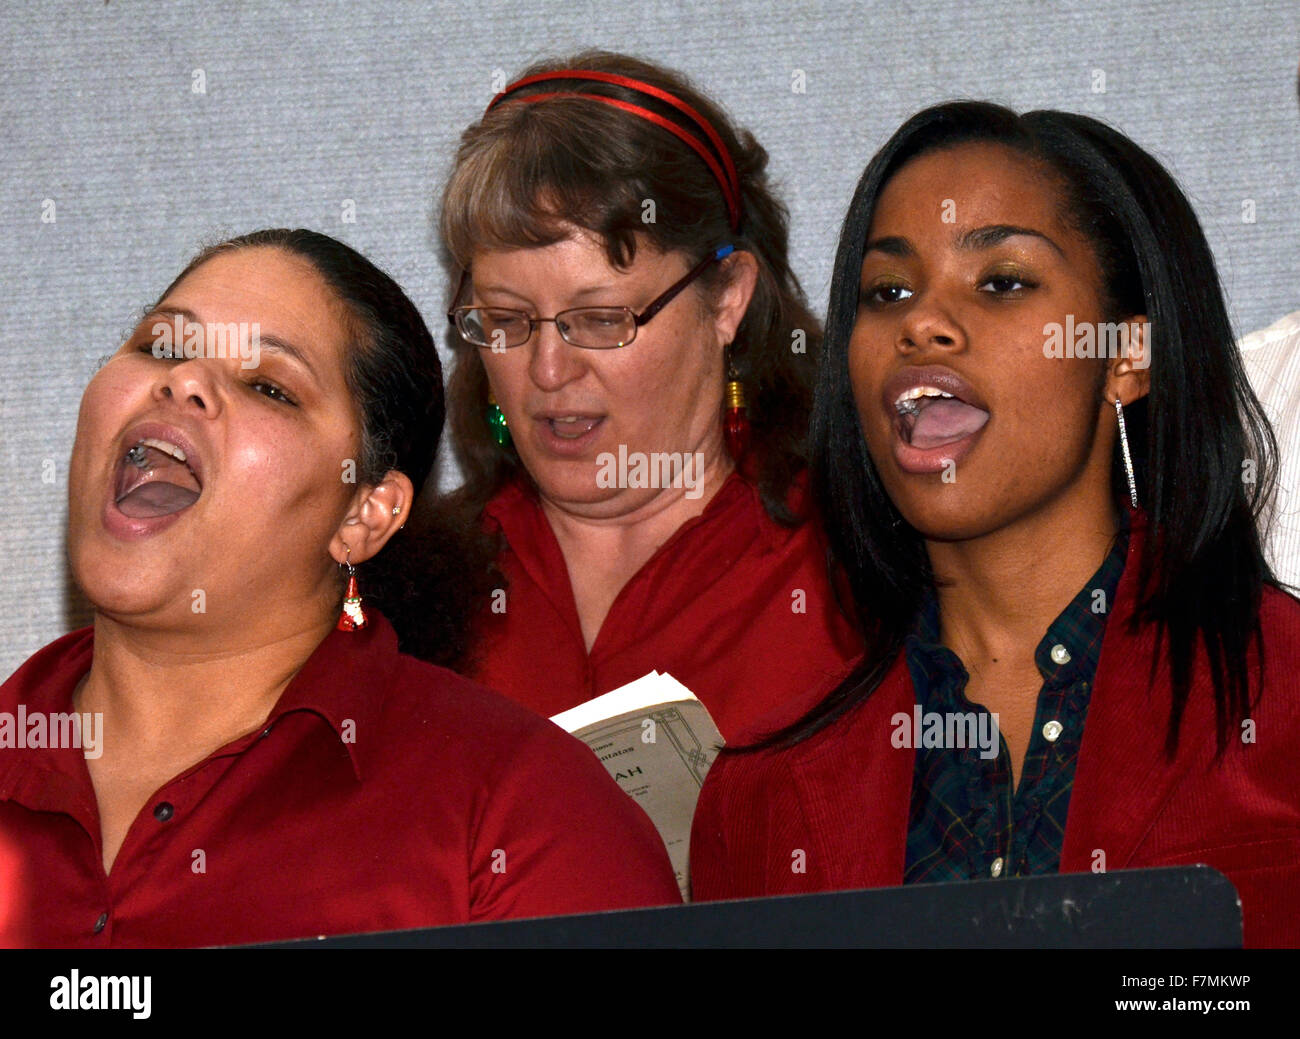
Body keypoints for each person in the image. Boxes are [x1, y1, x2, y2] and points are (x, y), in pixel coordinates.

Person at [690, 102, 1300, 949]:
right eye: (887, 291)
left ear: (1126, 354)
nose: (922, 324)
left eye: (1002, 282)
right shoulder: (758, 795)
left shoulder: (1286, 701)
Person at [0, 228, 680, 948]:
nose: (184, 380)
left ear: (364, 514)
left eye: (269, 386)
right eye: (160, 346)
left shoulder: (522, 809)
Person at [434, 50, 862, 741]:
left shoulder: (854, 562)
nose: (547, 370)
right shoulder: (417, 585)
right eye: (507, 321)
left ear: (727, 299)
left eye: (601, 320)